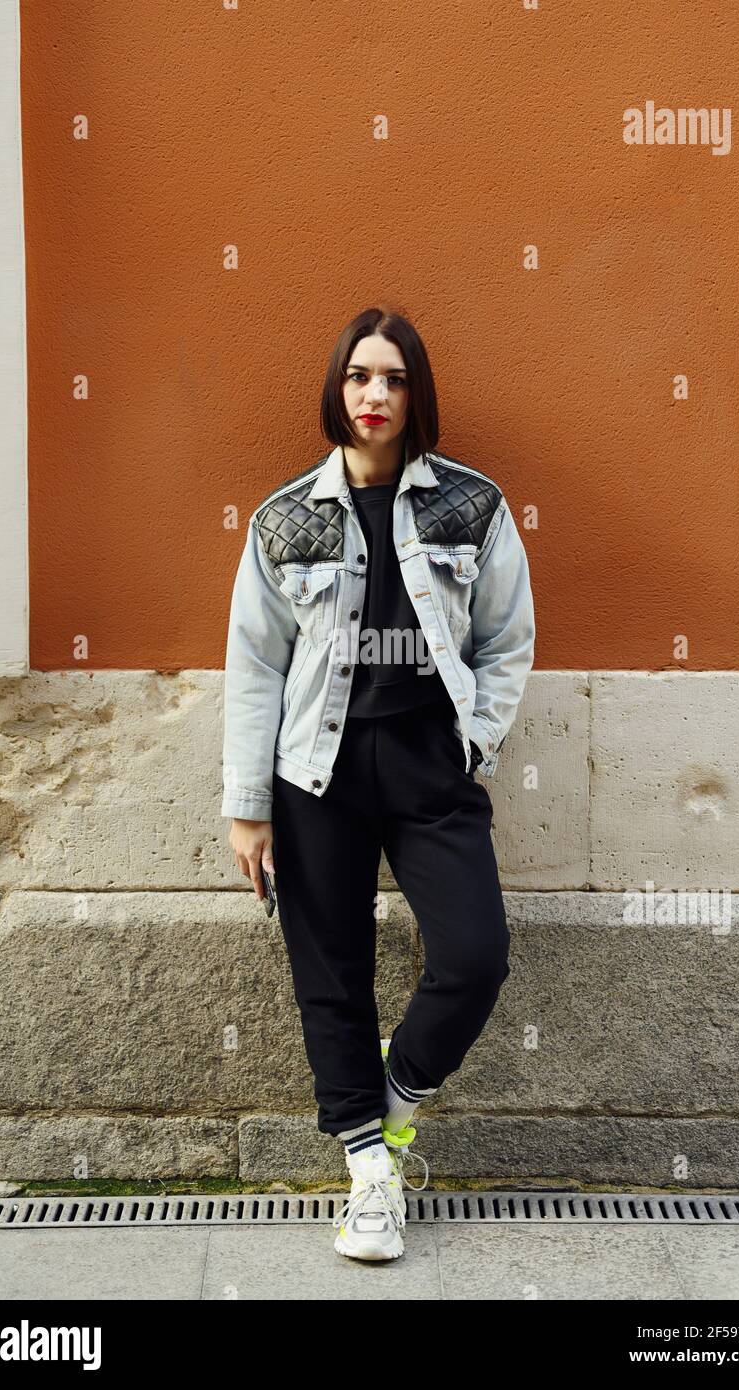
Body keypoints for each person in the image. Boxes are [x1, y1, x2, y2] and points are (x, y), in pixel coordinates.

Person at [222, 305, 536, 1261]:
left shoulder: (469, 506)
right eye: (361, 376)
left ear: (416, 395)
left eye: (394, 379)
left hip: (425, 763)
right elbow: (254, 665)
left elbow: (506, 640)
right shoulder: (285, 518)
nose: (375, 395)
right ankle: (368, 1175)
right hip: (315, 772)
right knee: (332, 974)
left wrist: (470, 744)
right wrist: (247, 807)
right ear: (338, 388)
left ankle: (395, 1096)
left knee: (475, 956)